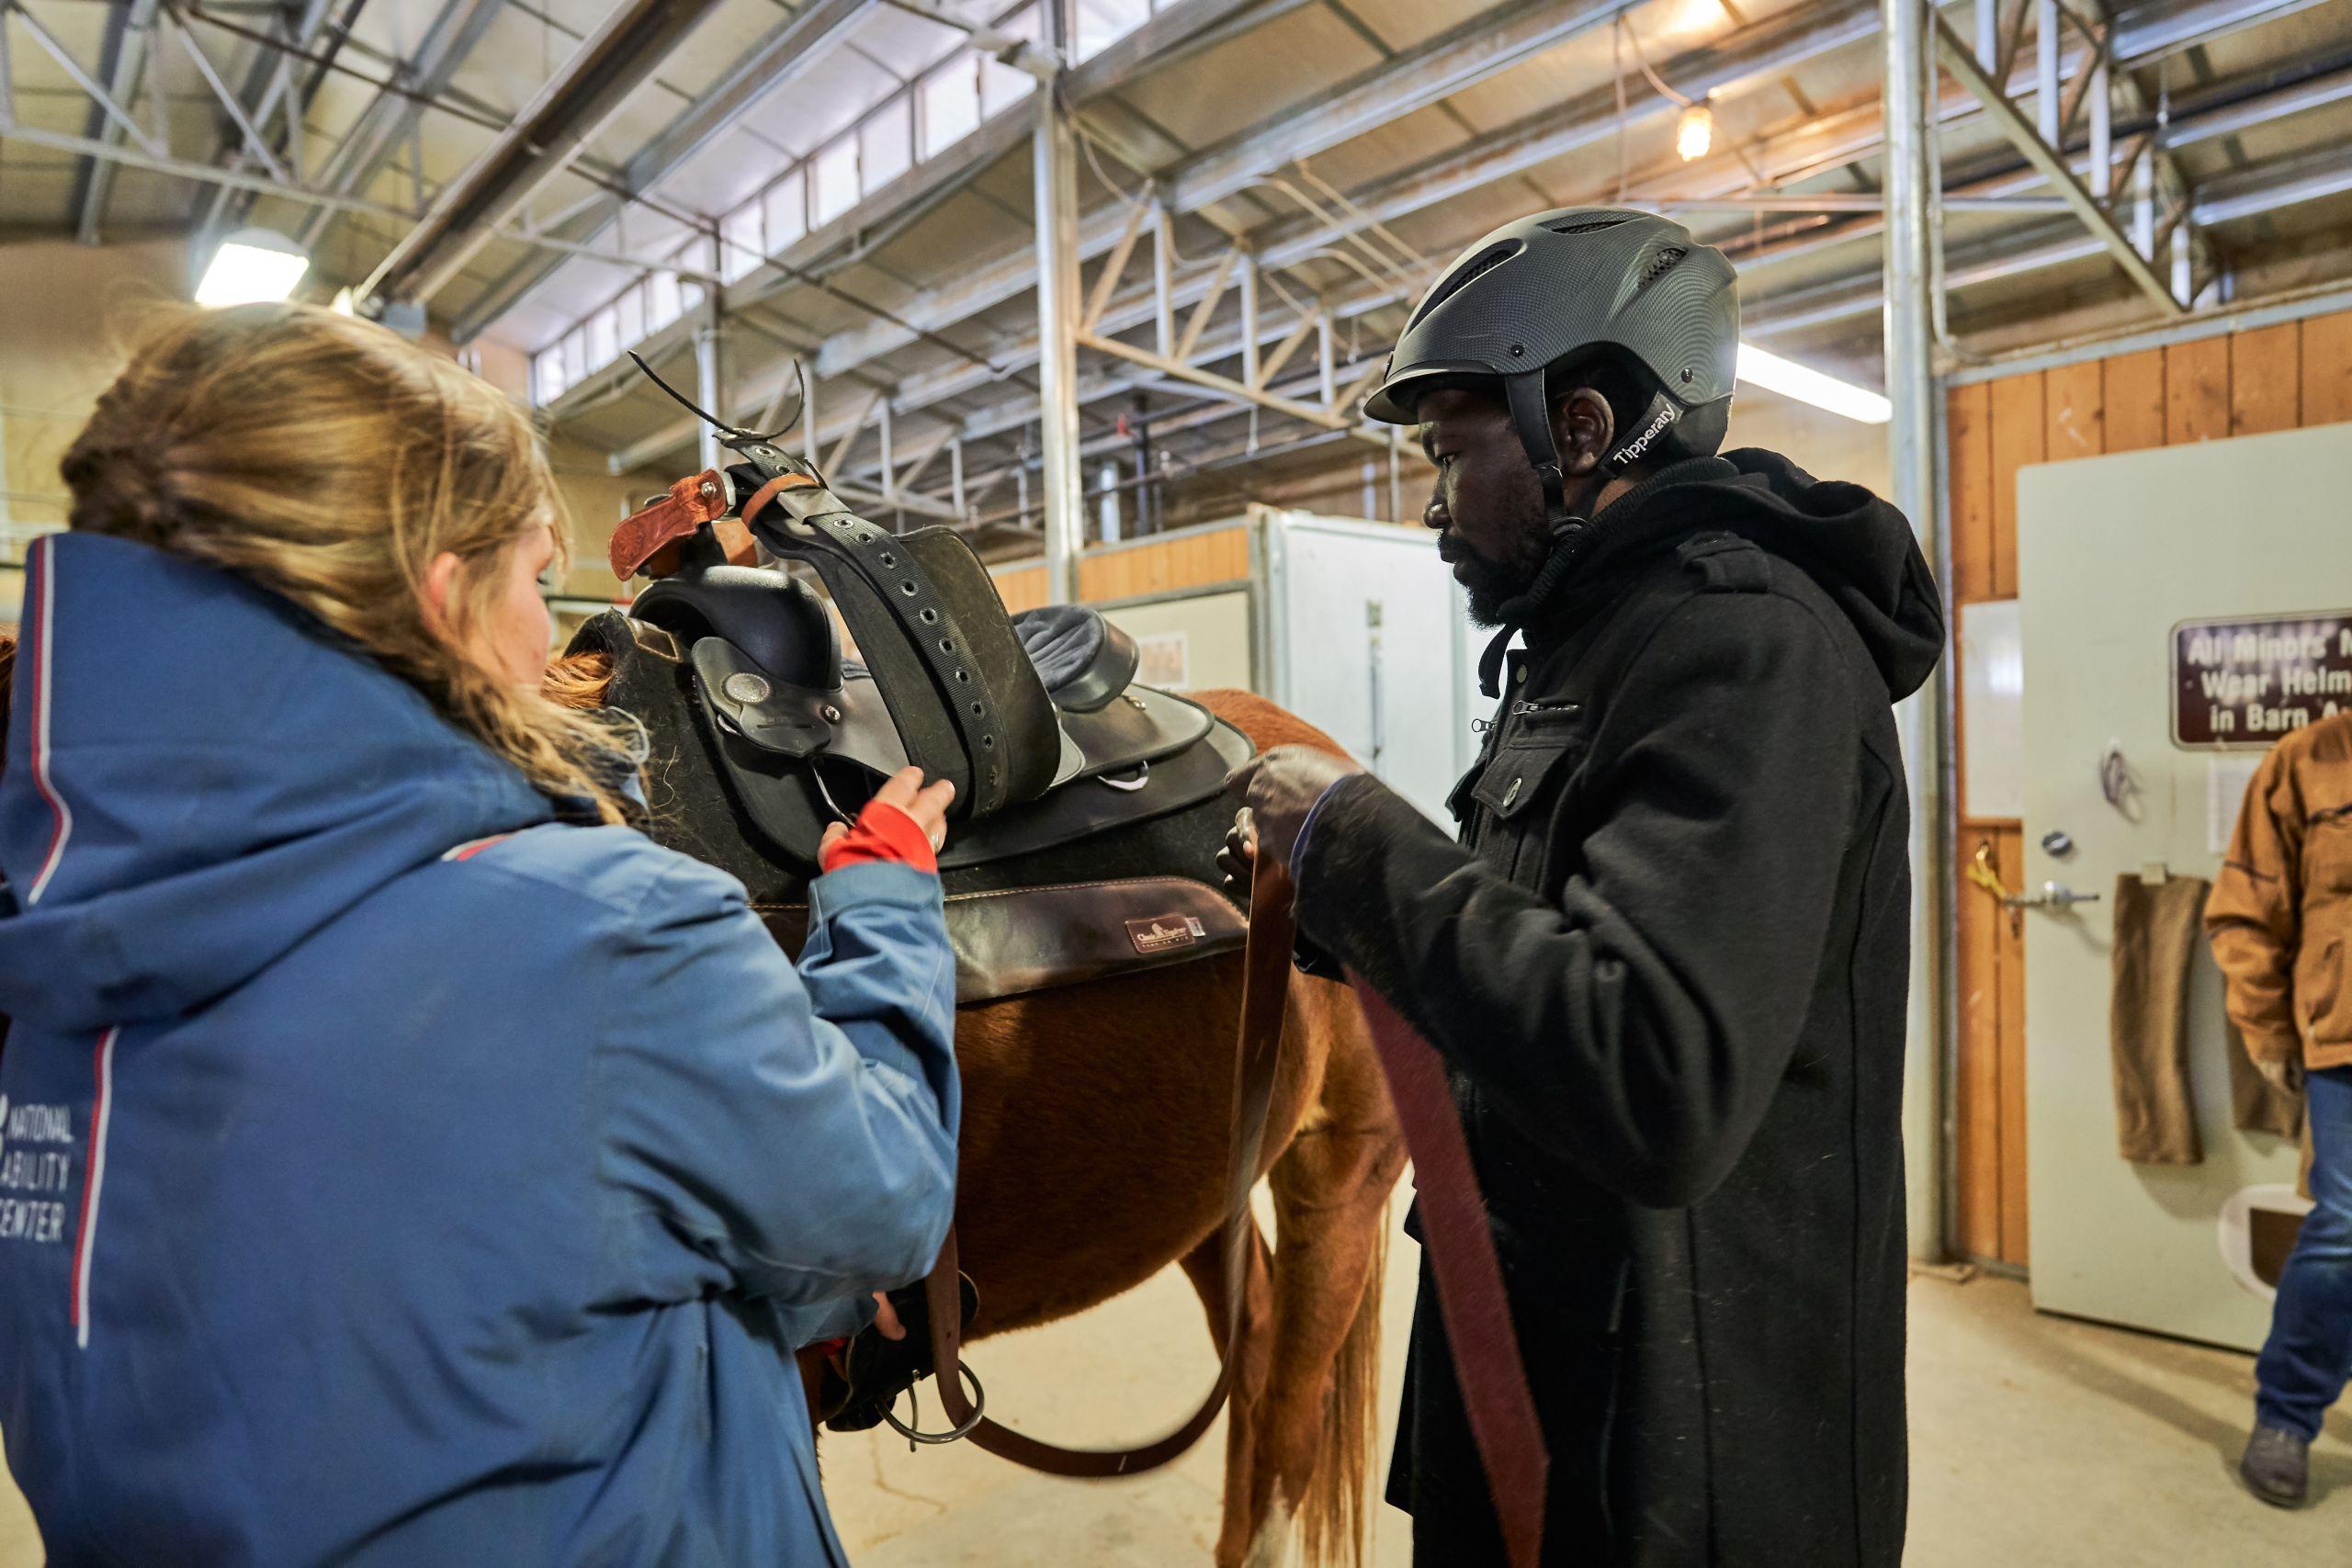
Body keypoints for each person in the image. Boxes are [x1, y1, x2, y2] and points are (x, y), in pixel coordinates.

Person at [0, 303, 959, 1564]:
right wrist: (885, 902)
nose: (546, 637)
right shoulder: (604, 933)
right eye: (534, 576)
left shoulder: (63, 978)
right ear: (444, 597)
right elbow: (886, 1198)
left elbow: (453, 1271)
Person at [1226, 208, 1942, 1564]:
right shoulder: (1592, 641)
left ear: (1583, 430)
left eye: (1451, 452)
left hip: (1676, 1454)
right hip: (1545, 1389)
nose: (1434, 505)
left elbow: (1649, 1067)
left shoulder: (1745, 647)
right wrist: (1324, 902)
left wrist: (1356, 841)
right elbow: (1533, 950)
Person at [2206, 713, 2352, 1507]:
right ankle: (2288, 1416)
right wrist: (2264, 1026)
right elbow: (2247, 906)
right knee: (2343, 1228)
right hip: (2346, 1035)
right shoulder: (2310, 758)